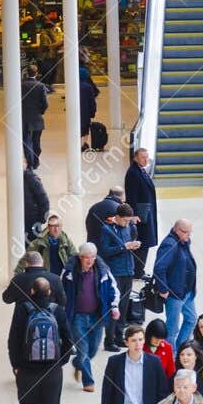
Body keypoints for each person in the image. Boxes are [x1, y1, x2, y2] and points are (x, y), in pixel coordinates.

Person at [10, 276, 71, 404]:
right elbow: (68, 341)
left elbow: (13, 341)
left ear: (32, 292)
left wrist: (16, 366)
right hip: (52, 372)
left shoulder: (22, 310)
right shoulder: (58, 311)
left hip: (27, 372)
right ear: (50, 293)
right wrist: (61, 362)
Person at [63, 241, 119, 391]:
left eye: (92, 257)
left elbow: (114, 289)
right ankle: (88, 382)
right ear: (80, 257)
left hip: (97, 317)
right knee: (83, 349)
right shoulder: (69, 272)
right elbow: (61, 291)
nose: (90, 260)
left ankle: (77, 363)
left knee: (93, 349)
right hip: (77, 317)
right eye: (86, 257)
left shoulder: (103, 271)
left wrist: (114, 306)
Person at [97, 203, 141, 348]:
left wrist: (133, 245)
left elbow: (127, 244)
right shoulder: (106, 229)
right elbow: (104, 251)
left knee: (123, 306)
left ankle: (119, 336)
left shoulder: (129, 227)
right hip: (115, 272)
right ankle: (109, 340)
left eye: (129, 220)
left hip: (128, 270)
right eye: (125, 220)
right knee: (114, 307)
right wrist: (124, 247)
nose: (127, 223)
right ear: (118, 217)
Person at [153, 219, 198, 351]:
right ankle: (170, 355)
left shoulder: (183, 242)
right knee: (172, 328)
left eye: (190, 233)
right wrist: (163, 288)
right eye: (185, 233)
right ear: (176, 229)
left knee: (191, 319)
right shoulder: (169, 244)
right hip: (175, 293)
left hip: (187, 292)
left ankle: (181, 348)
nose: (188, 236)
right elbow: (159, 268)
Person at [124, 147, 158, 274]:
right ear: (135, 158)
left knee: (145, 241)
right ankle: (138, 270)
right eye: (143, 157)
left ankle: (139, 269)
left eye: (147, 157)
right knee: (142, 242)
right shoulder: (133, 173)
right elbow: (131, 196)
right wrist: (132, 215)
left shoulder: (141, 171)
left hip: (146, 212)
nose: (146, 160)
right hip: (140, 215)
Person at [20, 64, 48, 168]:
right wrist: (40, 112)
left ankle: (30, 162)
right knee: (36, 141)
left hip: (24, 117)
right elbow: (45, 103)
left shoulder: (21, 85)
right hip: (37, 118)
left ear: (27, 73)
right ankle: (35, 161)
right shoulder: (41, 86)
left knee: (26, 141)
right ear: (36, 73)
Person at [144, 317, 176, 382]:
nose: (158, 342)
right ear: (149, 335)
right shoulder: (141, 347)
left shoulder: (167, 347)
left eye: (161, 339)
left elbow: (171, 371)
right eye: (156, 339)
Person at [23, 163, 49, 240]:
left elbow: (44, 201)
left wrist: (41, 220)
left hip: (33, 222)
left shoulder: (31, 178)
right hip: (20, 222)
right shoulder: (14, 179)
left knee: (33, 245)